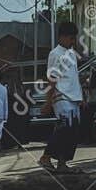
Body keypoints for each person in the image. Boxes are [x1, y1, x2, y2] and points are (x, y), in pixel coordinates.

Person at [39, 21, 82, 176]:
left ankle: (62, 162)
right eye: (71, 38)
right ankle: (46, 156)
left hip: (74, 97)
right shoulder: (55, 54)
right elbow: (51, 79)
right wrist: (47, 102)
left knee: (73, 131)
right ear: (62, 37)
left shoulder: (71, 54)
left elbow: (74, 77)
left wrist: (80, 96)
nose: (73, 41)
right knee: (64, 128)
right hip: (61, 96)